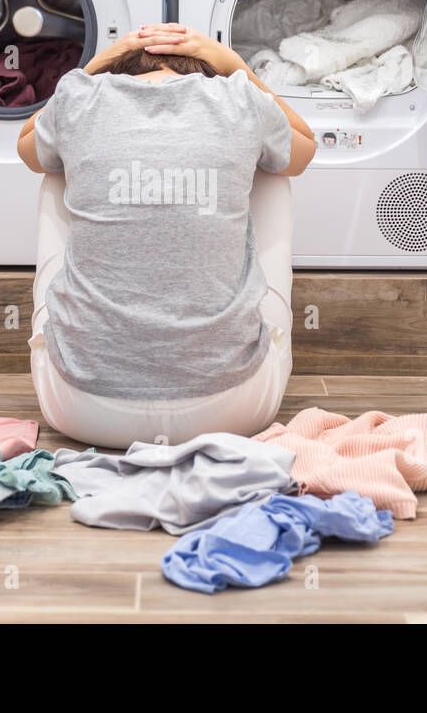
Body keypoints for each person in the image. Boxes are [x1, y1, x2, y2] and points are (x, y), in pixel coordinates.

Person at [16, 24, 317, 448]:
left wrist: (93, 64)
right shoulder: (238, 98)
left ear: (122, 67)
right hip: (234, 408)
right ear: (203, 68)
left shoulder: (79, 98)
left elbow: (26, 148)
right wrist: (237, 67)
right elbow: (305, 150)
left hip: (82, 408)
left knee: (52, 169)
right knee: (276, 168)